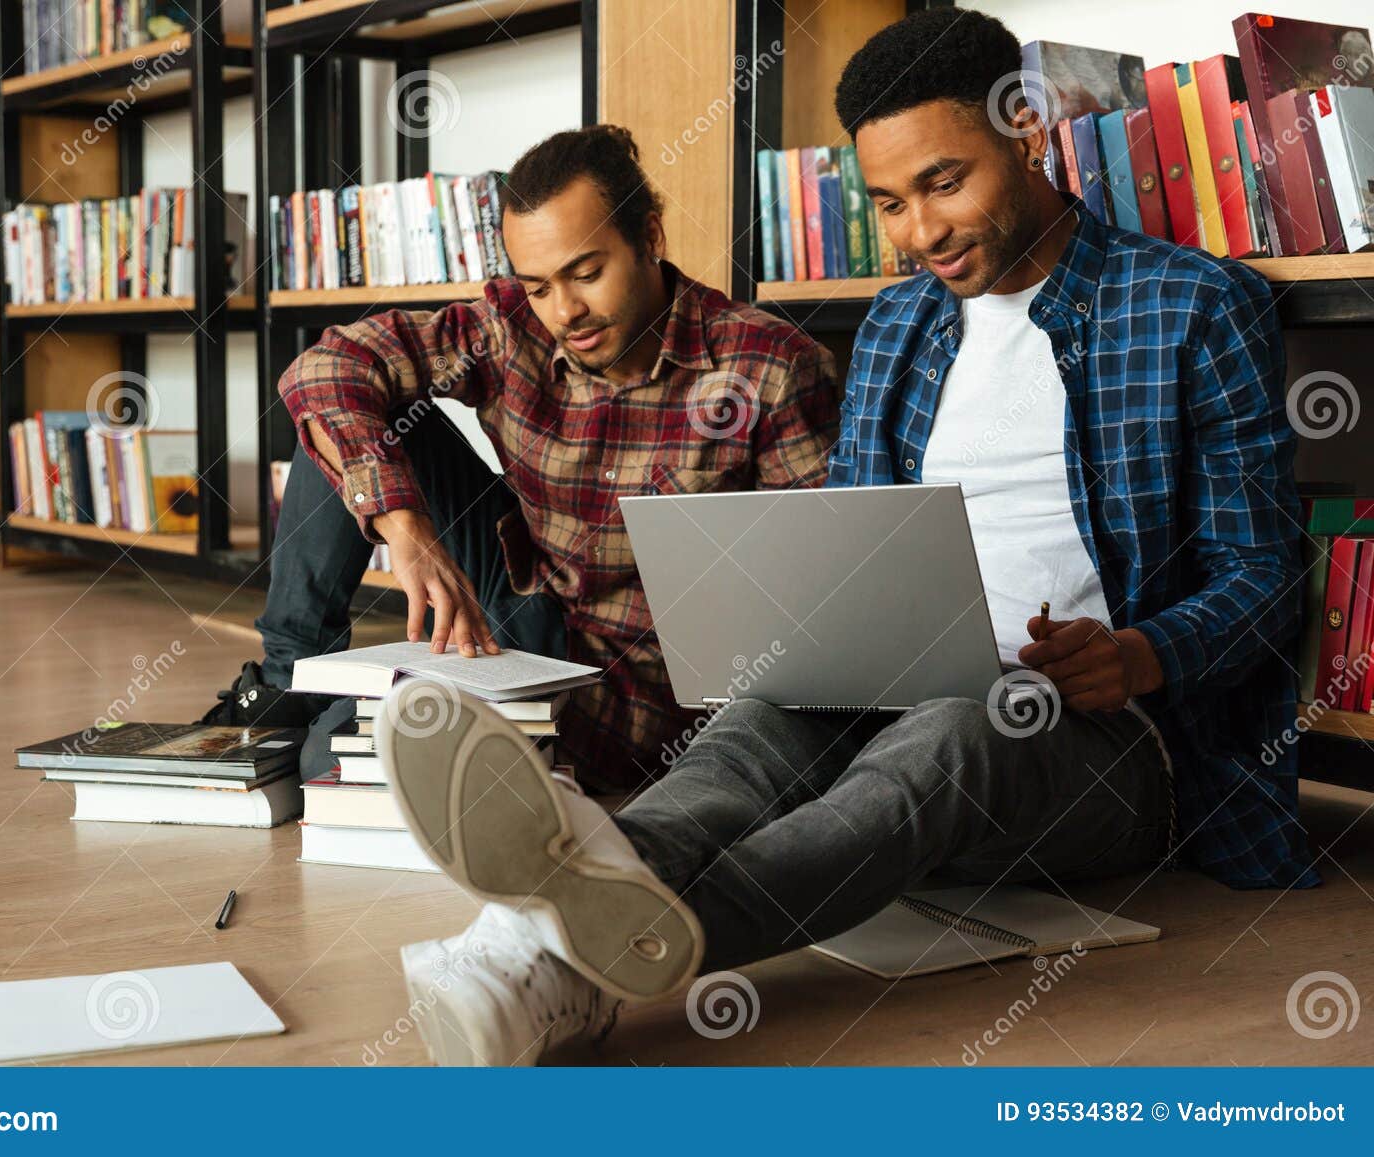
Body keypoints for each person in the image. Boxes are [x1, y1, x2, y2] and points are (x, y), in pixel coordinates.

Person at [376, 7, 1322, 1066]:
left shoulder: (1194, 307)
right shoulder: (897, 326)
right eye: (887, 202)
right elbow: (860, 547)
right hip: (900, 686)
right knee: (754, 723)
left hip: (1122, 743)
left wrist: (1139, 654)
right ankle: (547, 945)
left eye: (943, 183)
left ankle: (544, 956)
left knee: (955, 731)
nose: (919, 232)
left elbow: (1263, 576)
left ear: (1029, 132)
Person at [198, 124, 841, 791]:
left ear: (650, 238)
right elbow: (324, 367)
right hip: (522, 614)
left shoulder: (772, 368)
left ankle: (347, 725)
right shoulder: (509, 331)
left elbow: (816, 602)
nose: (566, 310)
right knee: (347, 406)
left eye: (586, 273)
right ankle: (285, 692)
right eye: (538, 286)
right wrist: (406, 529)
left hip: (647, 685)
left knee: (336, 760)